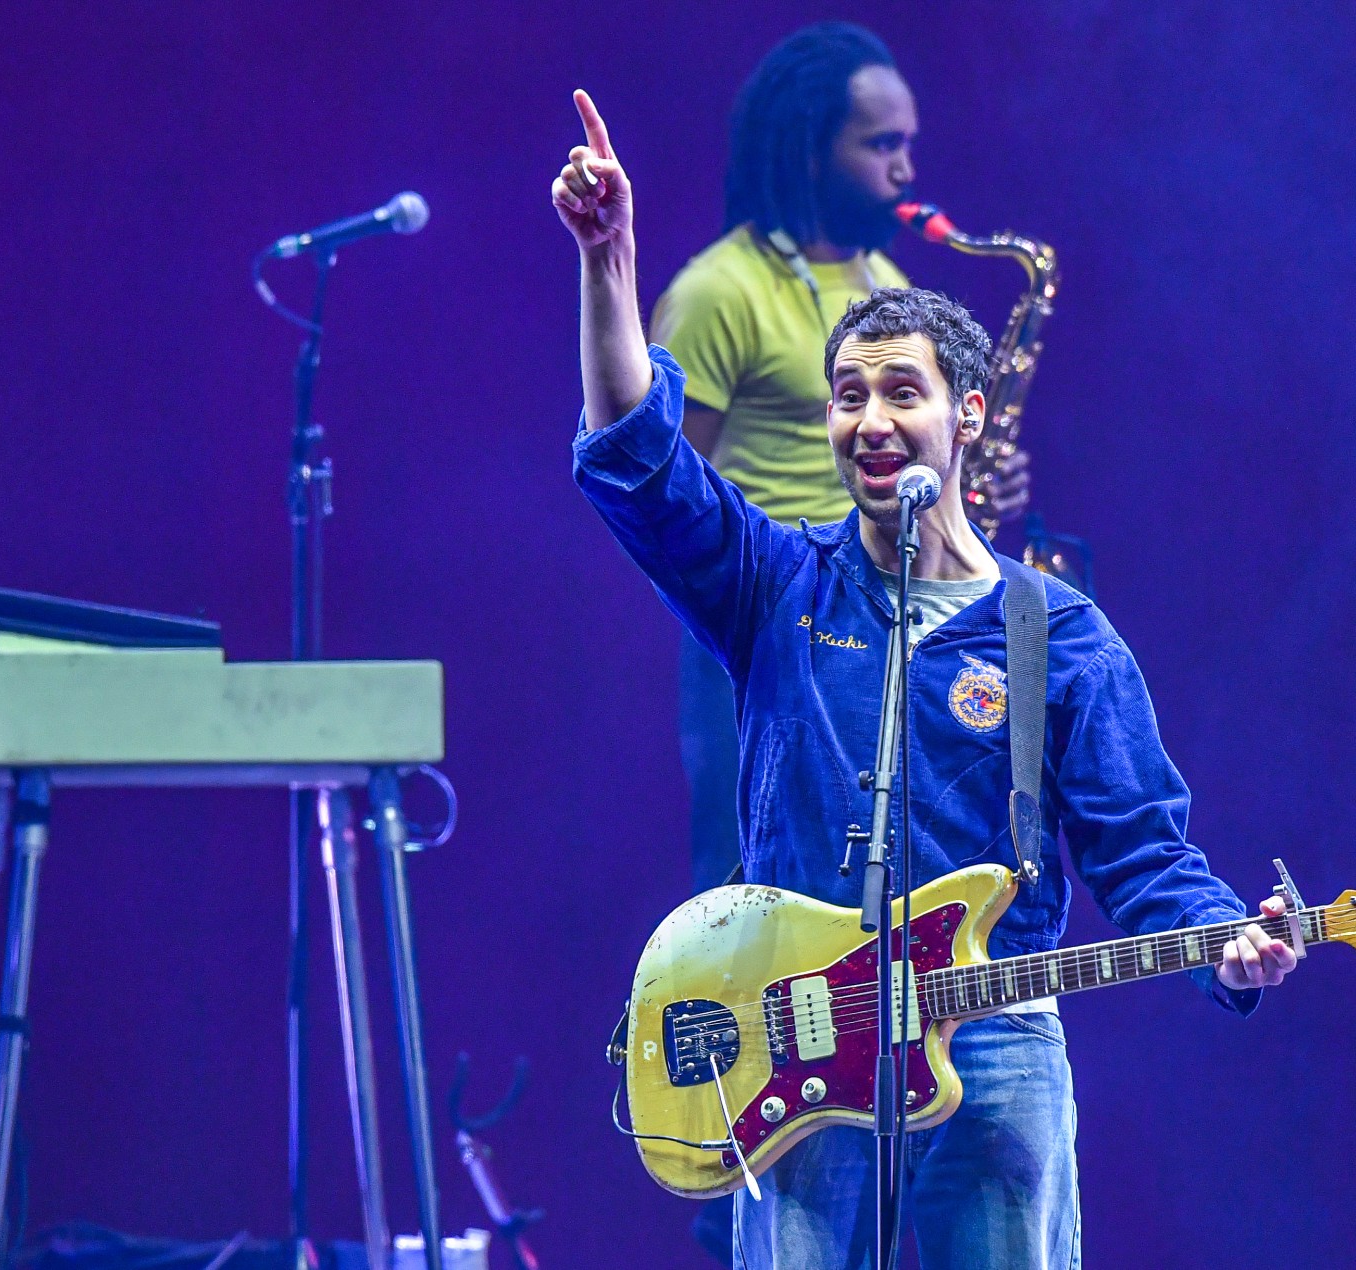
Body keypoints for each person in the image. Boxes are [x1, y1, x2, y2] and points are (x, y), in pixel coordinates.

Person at [553, 91, 1296, 1269]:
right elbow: (644, 470)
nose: (868, 420)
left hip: (992, 1043)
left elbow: (1143, 852)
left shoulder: (1060, 635)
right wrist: (609, 263)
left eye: (900, 391)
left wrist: (1222, 936)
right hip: (796, 1040)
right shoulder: (780, 584)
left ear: (969, 412)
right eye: (848, 395)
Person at [653, 22, 1029, 895]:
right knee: (751, 879)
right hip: (764, 622)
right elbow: (667, 497)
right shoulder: (721, 288)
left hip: (888, 617)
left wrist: (974, 476)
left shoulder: (886, 282)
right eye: (882, 144)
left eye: (909, 144)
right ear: (813, 150)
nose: (905, 168)